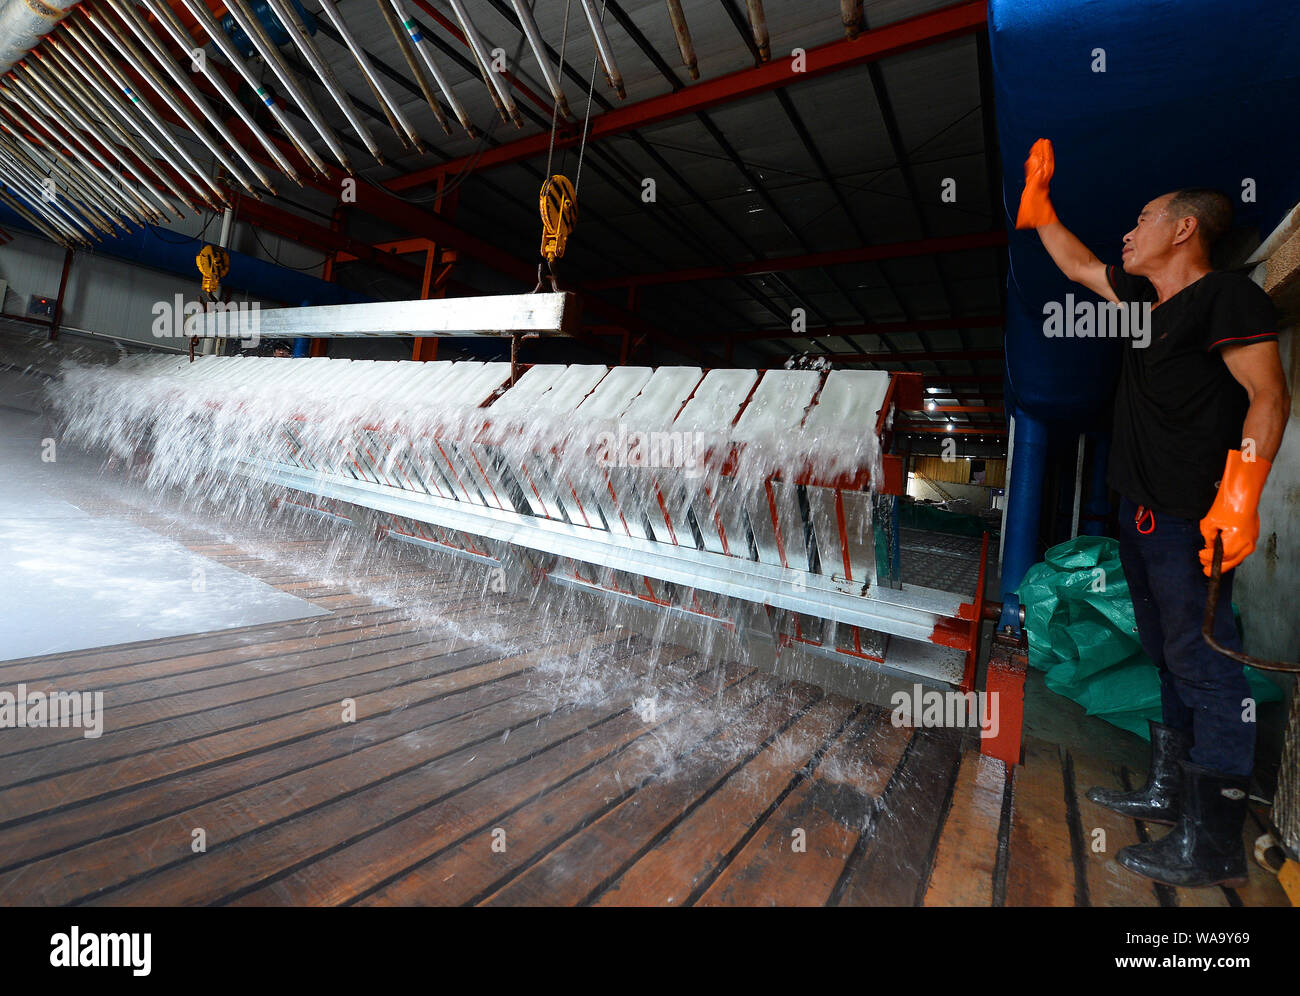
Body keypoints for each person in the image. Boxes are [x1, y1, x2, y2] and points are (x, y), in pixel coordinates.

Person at [1015, 138, 1291, 888]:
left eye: (1142, 219)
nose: (1127, 233)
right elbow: (1075, 263)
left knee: (1208, 665)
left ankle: (1215, 844)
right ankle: (1172, 793)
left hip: (1191, 518)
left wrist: (1241, 497)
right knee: (1169, 654)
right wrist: (1041, 211)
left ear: (1183, 229)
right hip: (1138, 513)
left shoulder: (1226, 297)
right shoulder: (1142, 306)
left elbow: (1269, 394)